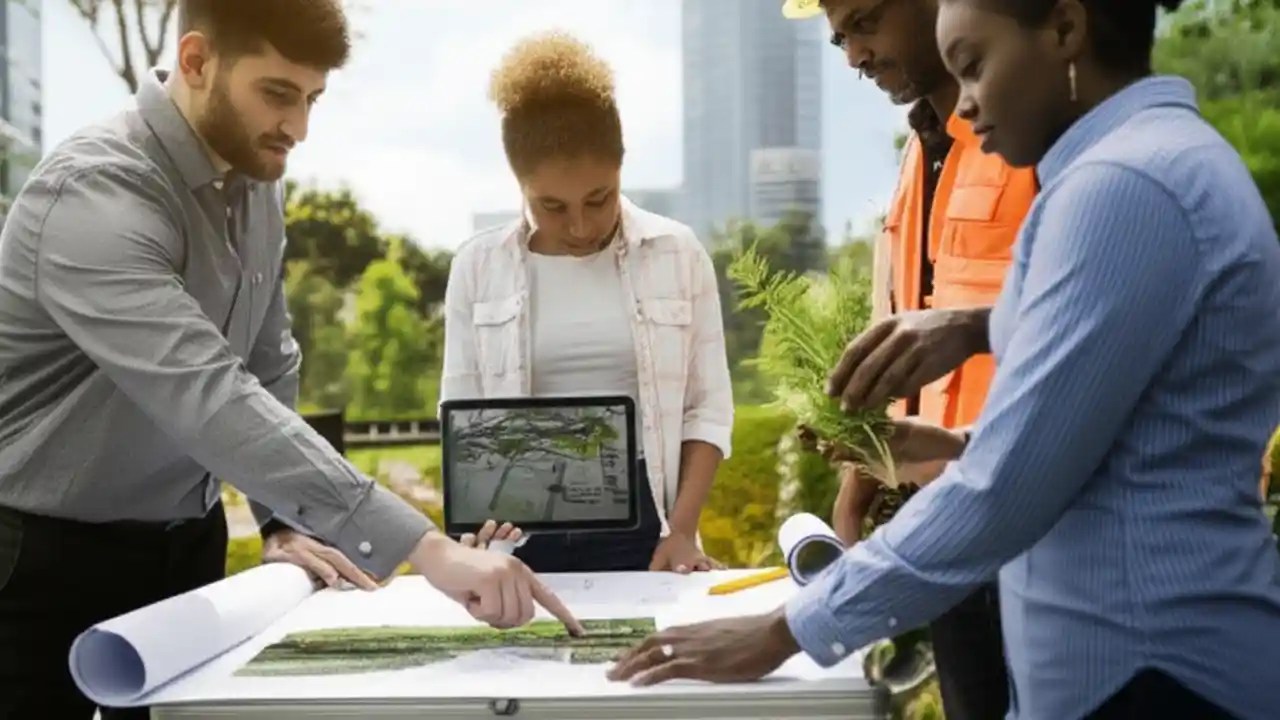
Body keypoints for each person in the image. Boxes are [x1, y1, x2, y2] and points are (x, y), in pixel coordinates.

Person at [610, 0, 1280, 717]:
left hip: (1152, 672)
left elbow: (1009, 485)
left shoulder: (1125, 187)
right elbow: (1125, 438)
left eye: (975, 66)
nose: (964, 103)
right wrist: (956, 446)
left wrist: (783, 631)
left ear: (1064, 29)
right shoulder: (1135, 167)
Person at [0, 2, 578, 718]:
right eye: (277, 93)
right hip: (36, 561)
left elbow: (268, 360)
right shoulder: (94, 191)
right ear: (195, 61)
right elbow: (209, 394)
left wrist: (282, 520)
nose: (298, 127)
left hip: (185, 551)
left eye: (311, 99)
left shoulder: (257, 180)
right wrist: (427, 548)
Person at [781, 0, 1036, 715]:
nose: (854, 56)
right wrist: (859, 483)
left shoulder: (1033, 143)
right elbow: (897, 332)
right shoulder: (918, 155)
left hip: (1033, 510)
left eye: (866, 23)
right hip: (946, 518)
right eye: (840, 38)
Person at [440, 32, 734, 575]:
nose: (579, 226)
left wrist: (683, 532)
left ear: (621, 167)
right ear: (519, 183)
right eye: (552, 206)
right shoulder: (477, 267)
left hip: (647, 525)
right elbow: (462, 415)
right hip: (516, 530)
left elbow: (708, 409)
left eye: (599, 199)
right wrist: (474, 545)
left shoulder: (677, 253)